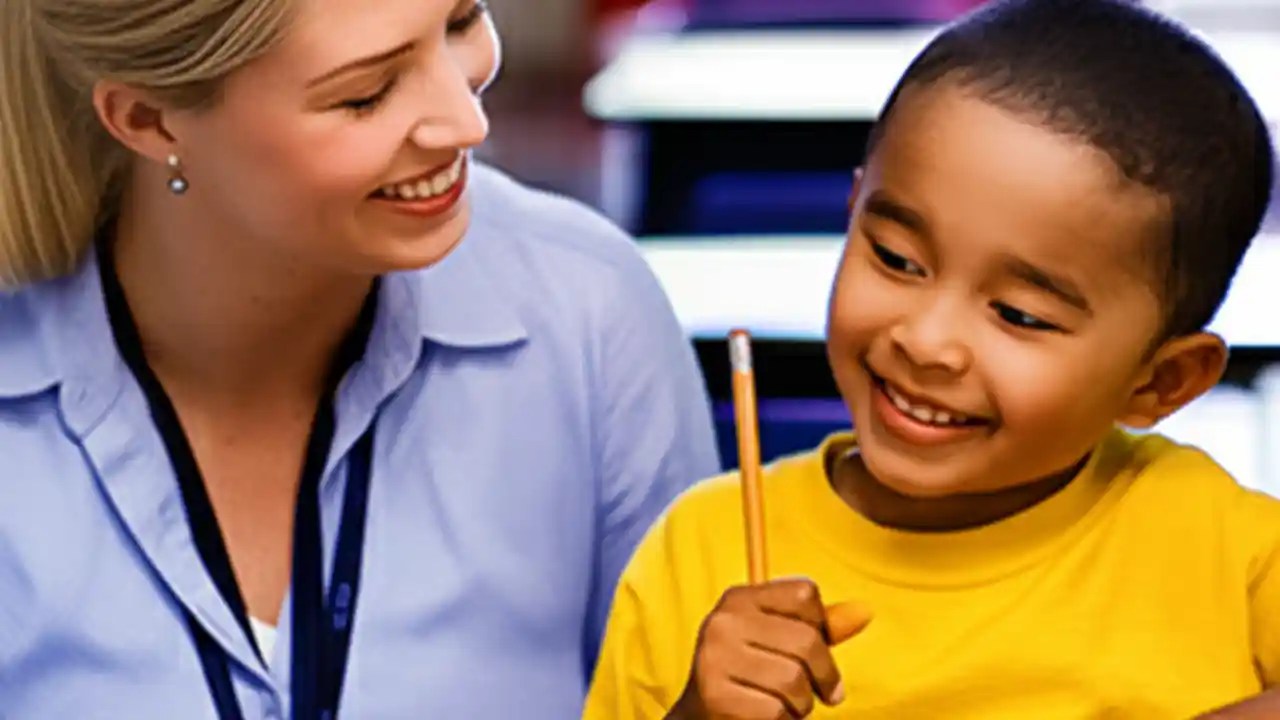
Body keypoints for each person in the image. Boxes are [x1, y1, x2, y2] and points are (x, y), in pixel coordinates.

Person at [0, 0, 720, 717]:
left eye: (463, 22)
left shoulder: (590, 316)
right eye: (365, 95)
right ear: (147, 121)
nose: (469, 122)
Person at [582, 0, 1280, 717]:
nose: (927, 341)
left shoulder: (1219, 544)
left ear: (1162, 381)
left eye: (1019, 315)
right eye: (895, 258)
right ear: (851, 213)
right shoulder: (703, 550)